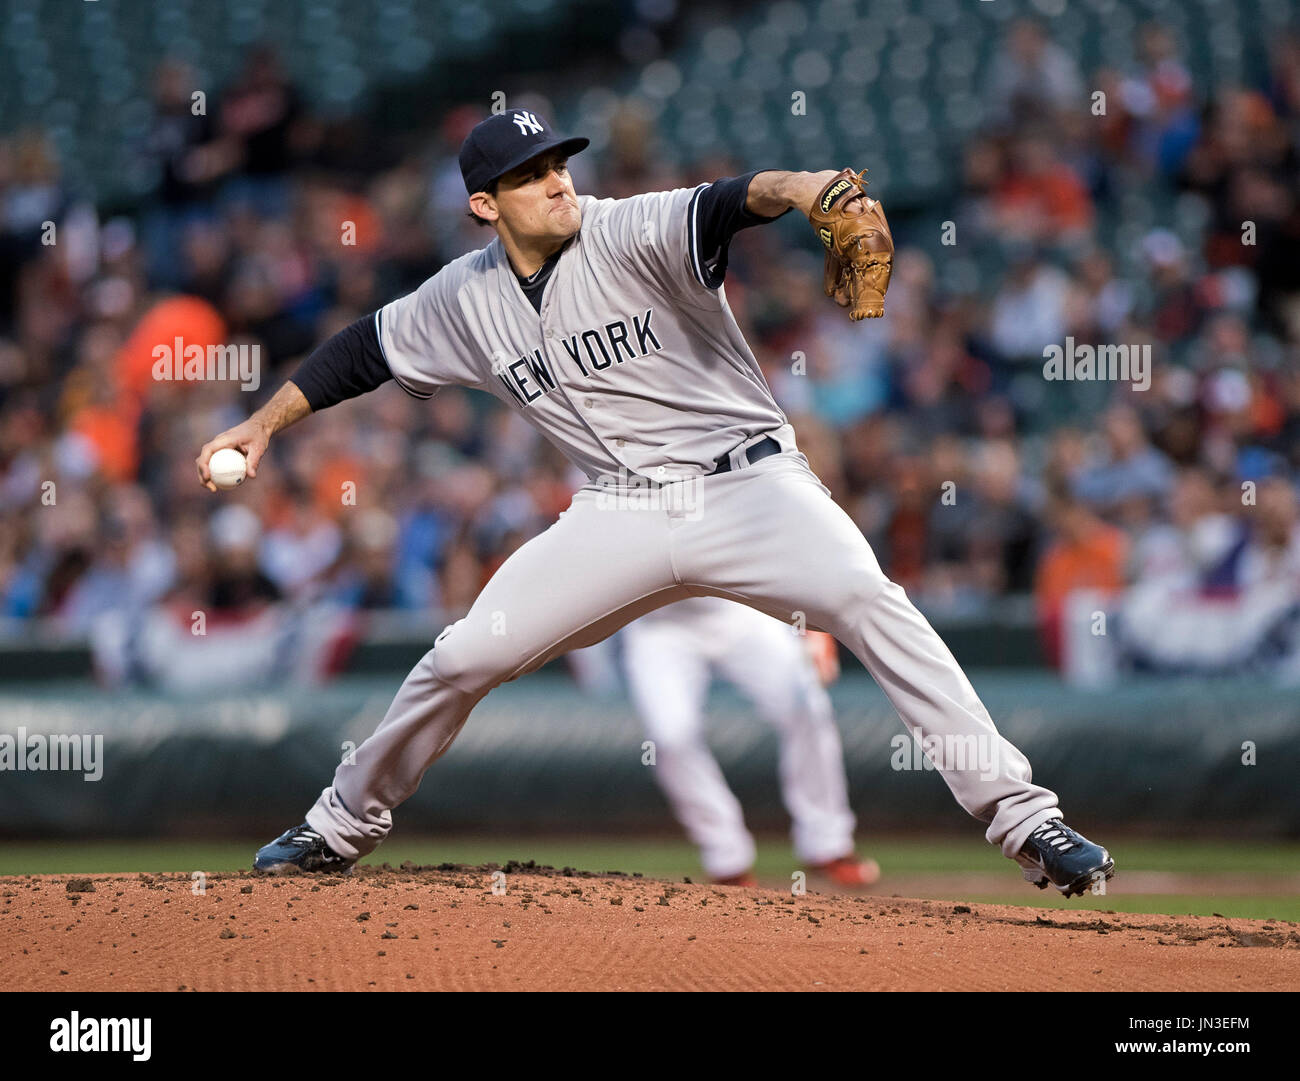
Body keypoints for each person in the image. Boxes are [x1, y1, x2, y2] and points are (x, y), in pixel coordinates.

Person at [197, 110, 1114, 897]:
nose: (556, 182)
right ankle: (339, 825)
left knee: (875, 604)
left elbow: (732, 199)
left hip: (751, 486)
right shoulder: (464, 298)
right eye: (528, 176)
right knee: (465, 653)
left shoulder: (628, 228)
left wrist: (807, 188)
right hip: (618, 512)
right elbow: (360, 350)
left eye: (558, 163)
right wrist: (263, 426)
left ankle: (1026, 820)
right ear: (485, 205)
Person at [620, 597, 879, 889]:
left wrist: (814, 623)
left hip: (739, 608)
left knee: (807, 706)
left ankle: (827, 844)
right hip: (657, 625)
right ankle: (726, 860)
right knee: (670, 738)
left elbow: (790, 551)